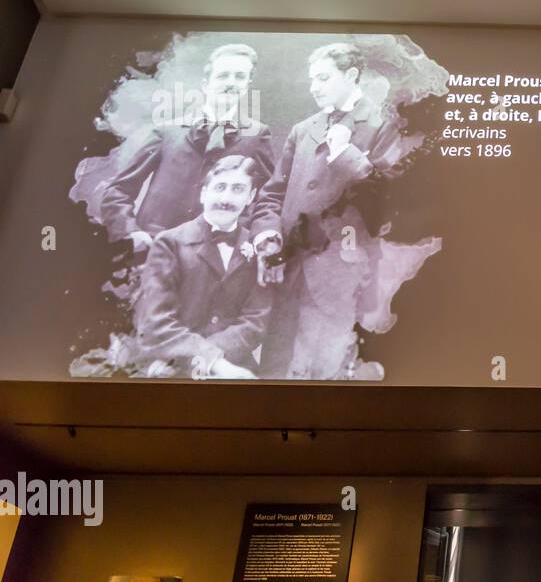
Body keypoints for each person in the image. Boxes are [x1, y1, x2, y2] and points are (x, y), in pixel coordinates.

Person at [250, 42, 400, 379]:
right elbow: (272, 195)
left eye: (323, 78)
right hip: (288, 272)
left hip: (340, 280)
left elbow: (389, 205)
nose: (314, 87)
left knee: (322, 378)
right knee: (274, 369)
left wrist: (346, 154)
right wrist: (267, 234)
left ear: (351, 75)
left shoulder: (383, 125)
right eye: (311, 79)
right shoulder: (304, 129)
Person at [100, 43, 275, 254]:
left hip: (217, 256)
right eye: (223, 76)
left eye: (239, 77)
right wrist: (131, 233)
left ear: (247, 85)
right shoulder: (167, 130)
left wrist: (247, 237)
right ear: (205, 84)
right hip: (155, 249)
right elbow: (119, 190)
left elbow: (268, 198)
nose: (231, 83)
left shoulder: (256, 134)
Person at [134, 155, 271, 379]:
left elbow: (256, 321)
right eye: (219, 187)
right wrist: (209, 360)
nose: (226, 198)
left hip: (235, 364)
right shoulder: (170, 243)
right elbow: (155, 321)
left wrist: (218, 361)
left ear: (251, 197)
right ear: (203, 193)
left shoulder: (258, 247)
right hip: (172, 362)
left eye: (238, 189)